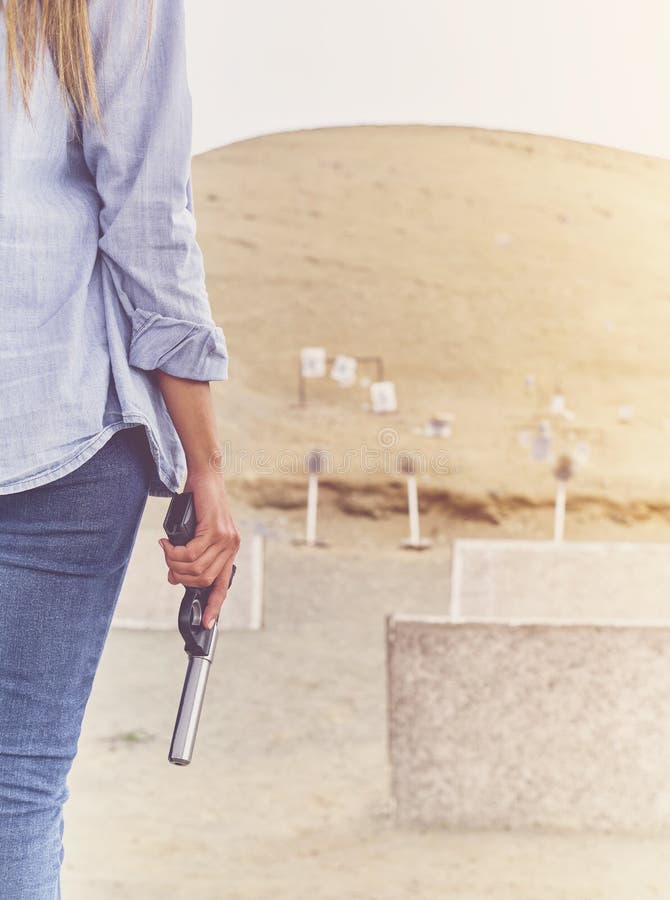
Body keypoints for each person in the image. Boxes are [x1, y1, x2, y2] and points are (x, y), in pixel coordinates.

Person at [0, 0, 240, 895]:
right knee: (14, 790)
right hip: (54, 424)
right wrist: (206, 469)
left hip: (58, 444)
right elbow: (148, 225)